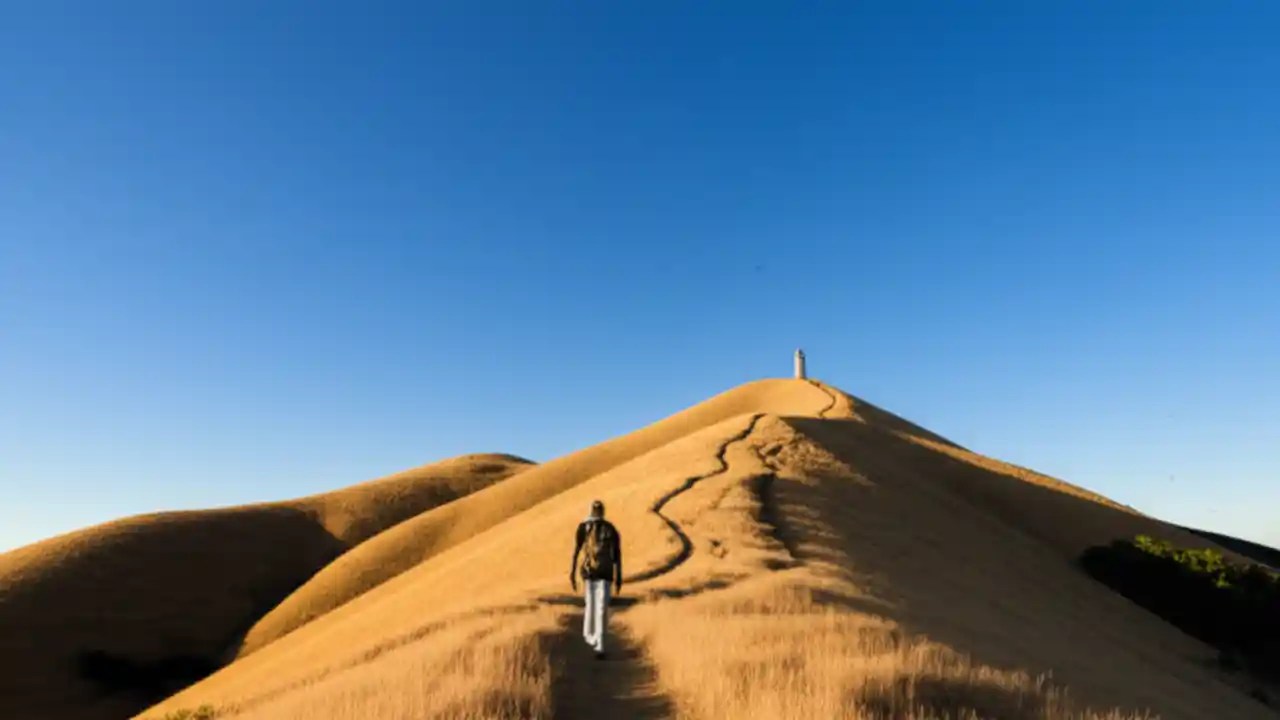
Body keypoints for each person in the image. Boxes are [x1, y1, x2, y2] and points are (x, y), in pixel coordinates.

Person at [570, 499, 623, 659]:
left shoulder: (584, 527)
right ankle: (599, 644)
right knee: (601, 609)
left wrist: (572, 574)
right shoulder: (611, 529)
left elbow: (576, 551)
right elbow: (617, 556)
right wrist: (618, 577)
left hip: (589, 573)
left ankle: (593, 639)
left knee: (591, 607)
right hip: (605, 574)